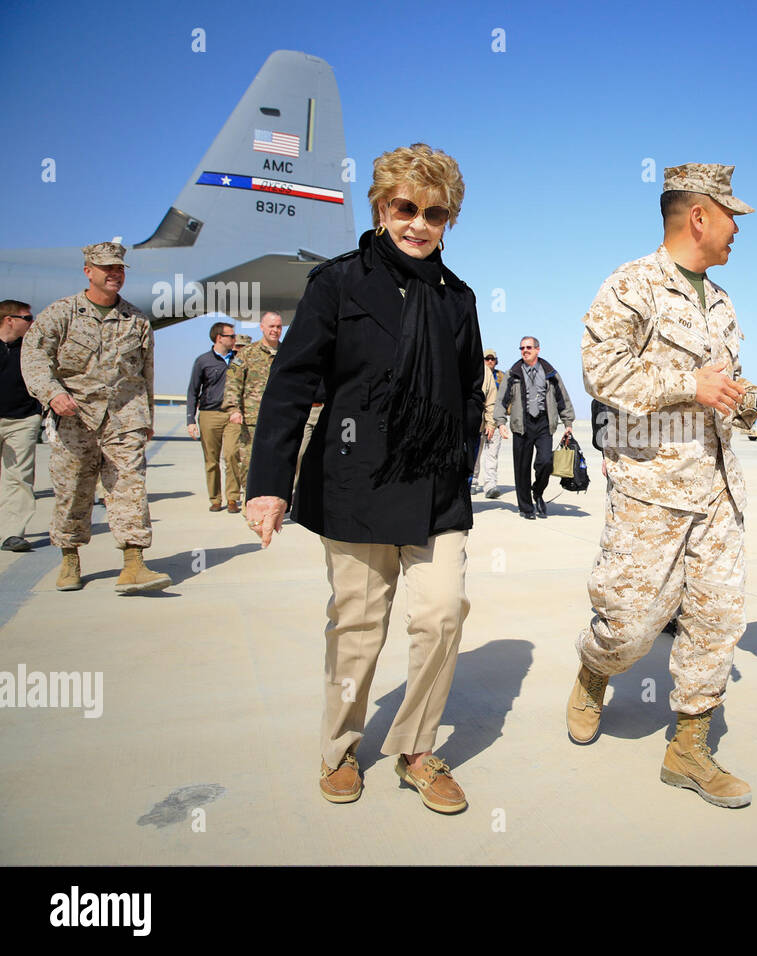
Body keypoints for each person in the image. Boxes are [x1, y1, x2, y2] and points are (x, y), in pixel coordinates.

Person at [243, 144, 484, 813]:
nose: (418, 223)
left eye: (434, 213)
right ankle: (340, 748)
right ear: (382, 207)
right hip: (355, 480)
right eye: (406, 207)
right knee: (357, 624)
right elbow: (290, 384)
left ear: (448, 221)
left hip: (436, 486)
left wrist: (456, 453)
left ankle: (416, 750)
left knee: (441, 614)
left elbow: (469, 391)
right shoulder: (337, 283)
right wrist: (269, 484)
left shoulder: (457, 299)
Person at [570, 163, 757, 808]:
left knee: (717, 620)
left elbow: (726, 387)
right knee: (630, 626)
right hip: (653, 490)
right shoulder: (631, 285)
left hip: (719, 488)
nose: (737, 231)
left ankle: (689, 747)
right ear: (700, 216)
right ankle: (593, 670)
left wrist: (756, 398)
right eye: (731, 217)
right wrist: (684, 384)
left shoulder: (719, 301)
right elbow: (599, 370)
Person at [20, 242, 172, 593]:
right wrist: (53, 393)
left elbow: (145, 371)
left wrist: (147, 417)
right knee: (73, 489)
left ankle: (134, 564)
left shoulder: (136, 320)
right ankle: (70, 558)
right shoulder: (62, 313)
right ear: (88, 271)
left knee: (130, 487)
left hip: (124, 416)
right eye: (107, 268)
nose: (114, 274)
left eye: (119, 268)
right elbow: (34, 357)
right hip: (75, 416)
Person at [496, 336, 574, 518]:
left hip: (543, 423)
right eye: (522, 348)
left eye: (529, 347)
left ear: (538, 349)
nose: (525, 350)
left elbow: (562, 397)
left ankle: (537, 492)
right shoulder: (513, 373)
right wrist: (500, 422)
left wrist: (568, 422)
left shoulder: (550, 373)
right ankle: (526, 507)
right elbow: (501, 400)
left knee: (546, 462)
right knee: (522, 468)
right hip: (521, 424)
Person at [223, 311, 282, 499]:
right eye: (271, 326)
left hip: (280, 420)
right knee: (249, 464)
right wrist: (233, 409)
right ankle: (251, 502)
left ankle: (272, 501)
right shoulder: (247, 353)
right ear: (262, 327)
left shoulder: (288, 352)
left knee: (276, 464)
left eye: (278, 326)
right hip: (252, 420)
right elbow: (233, 382)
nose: (275, 330)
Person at [186, 320, 240, 512]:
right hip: (209, 414)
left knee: (232, 454)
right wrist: (190, 420)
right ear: (219, 338)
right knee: (211, 459)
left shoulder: (239, 359)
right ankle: (215, 498)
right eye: (231, 336)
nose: (235, 339)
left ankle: (233, 497)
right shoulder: (203, 361)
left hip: (232, 414)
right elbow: (193, 391)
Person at [1, 300, 41, 552]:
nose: (32, 323)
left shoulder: (33, 348)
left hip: (23, 420)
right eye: (27, 318)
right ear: (9, 320)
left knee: (19, 478)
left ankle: (11, 533)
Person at [471, 349, 506, 498]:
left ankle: (490, 485)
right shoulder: (476, 374)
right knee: (476, 454)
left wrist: (495, 422)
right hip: (478, 421)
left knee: (492, 454)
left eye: (493, 359)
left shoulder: (501, 377)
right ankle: (473, 482)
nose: (490, 361)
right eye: (487, 358)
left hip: (496, 421)